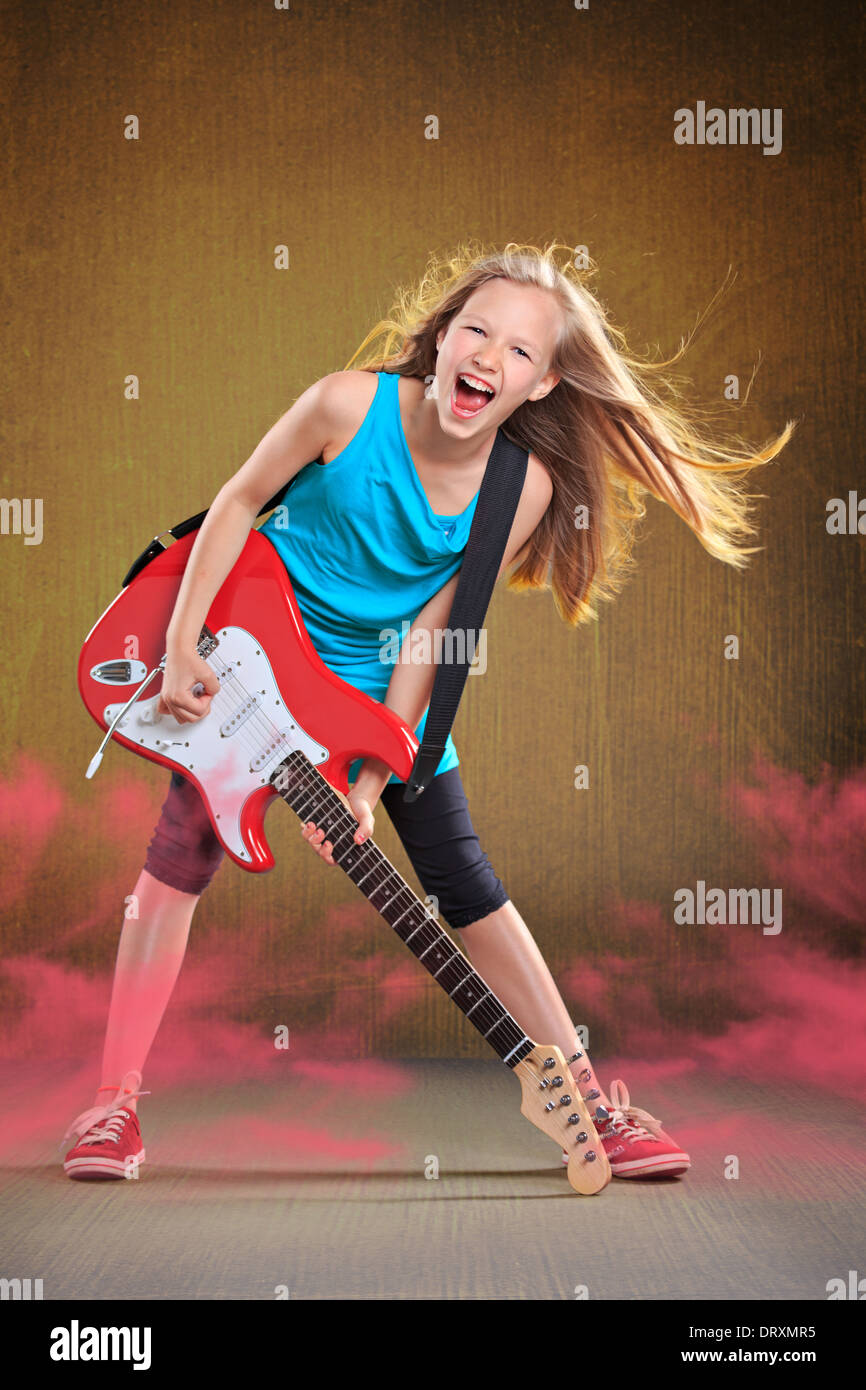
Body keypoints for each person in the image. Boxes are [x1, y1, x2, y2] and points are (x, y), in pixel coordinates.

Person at [61, 240, 795, 1183]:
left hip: (375, 688)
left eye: (519, 352)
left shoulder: (519, 489)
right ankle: (112, 1105)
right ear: (443, 336)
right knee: (179, 856)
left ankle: (582, 1094)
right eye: (476, 330)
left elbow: (432, 639)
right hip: (249, 658)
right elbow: (237, 503)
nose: (490, 356)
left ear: (542, 383)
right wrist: (179, 646)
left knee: (466, 880)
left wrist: (368, 779)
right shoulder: (344, 404)